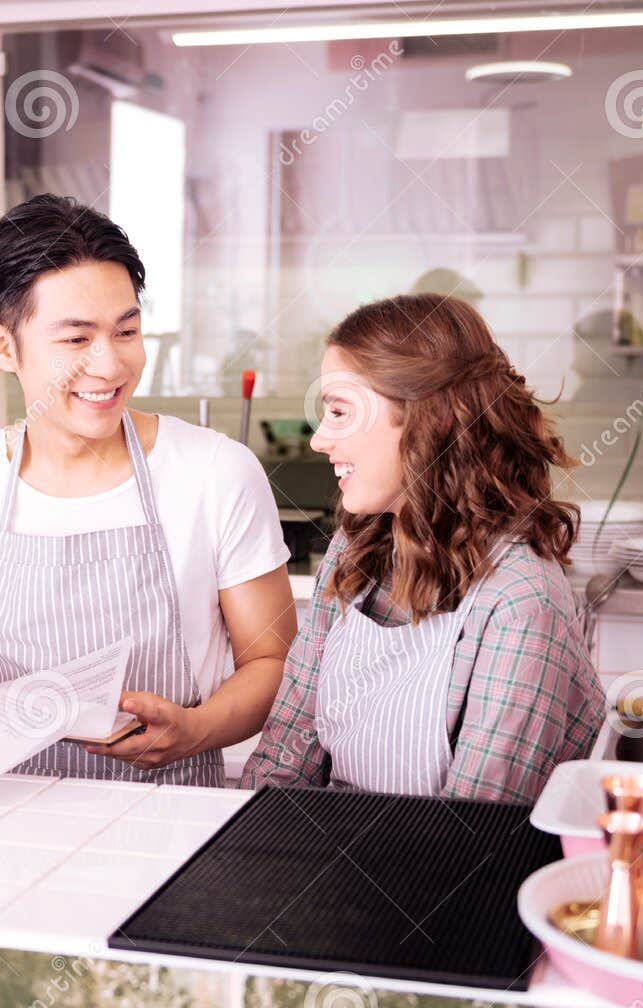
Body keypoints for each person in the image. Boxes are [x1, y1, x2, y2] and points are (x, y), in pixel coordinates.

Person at [0, 194, 296, 785]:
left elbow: (274, 663)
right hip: (6, 820)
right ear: (2, 346)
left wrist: (194, 730)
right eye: (75, 339)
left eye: (127, 330)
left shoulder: (217, 473)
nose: (110, 365)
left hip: (176, 824)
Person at [242, 294, 603, 801]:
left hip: (439, 872)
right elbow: (284, 757)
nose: (320, 440)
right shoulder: (354, 554)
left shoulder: (521, 599)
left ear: (424, 421)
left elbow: (470, 839)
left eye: (340, 411)